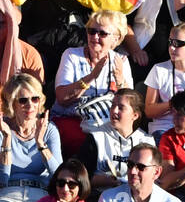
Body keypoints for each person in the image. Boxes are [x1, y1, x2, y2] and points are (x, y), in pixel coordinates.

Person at [50, 9, 133, 156]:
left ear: (116, 38)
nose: (95, 37)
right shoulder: (71, 55)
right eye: (91, 31)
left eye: (102, 33)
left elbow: (131, 106)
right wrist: (90, 77)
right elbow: (62, 98)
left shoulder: (122, 61)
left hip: (106, 124)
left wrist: (120, 81)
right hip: (72, 120)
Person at [0, 74, 60, 202]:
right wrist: (7, 138)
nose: (30, 105)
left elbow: (58, 175)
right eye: (22, 100)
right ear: (11, 104)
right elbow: (1, 179)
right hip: (7, 192)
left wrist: (41, 144)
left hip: (41, 192)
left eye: (35, 99)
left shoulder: (49, 129)